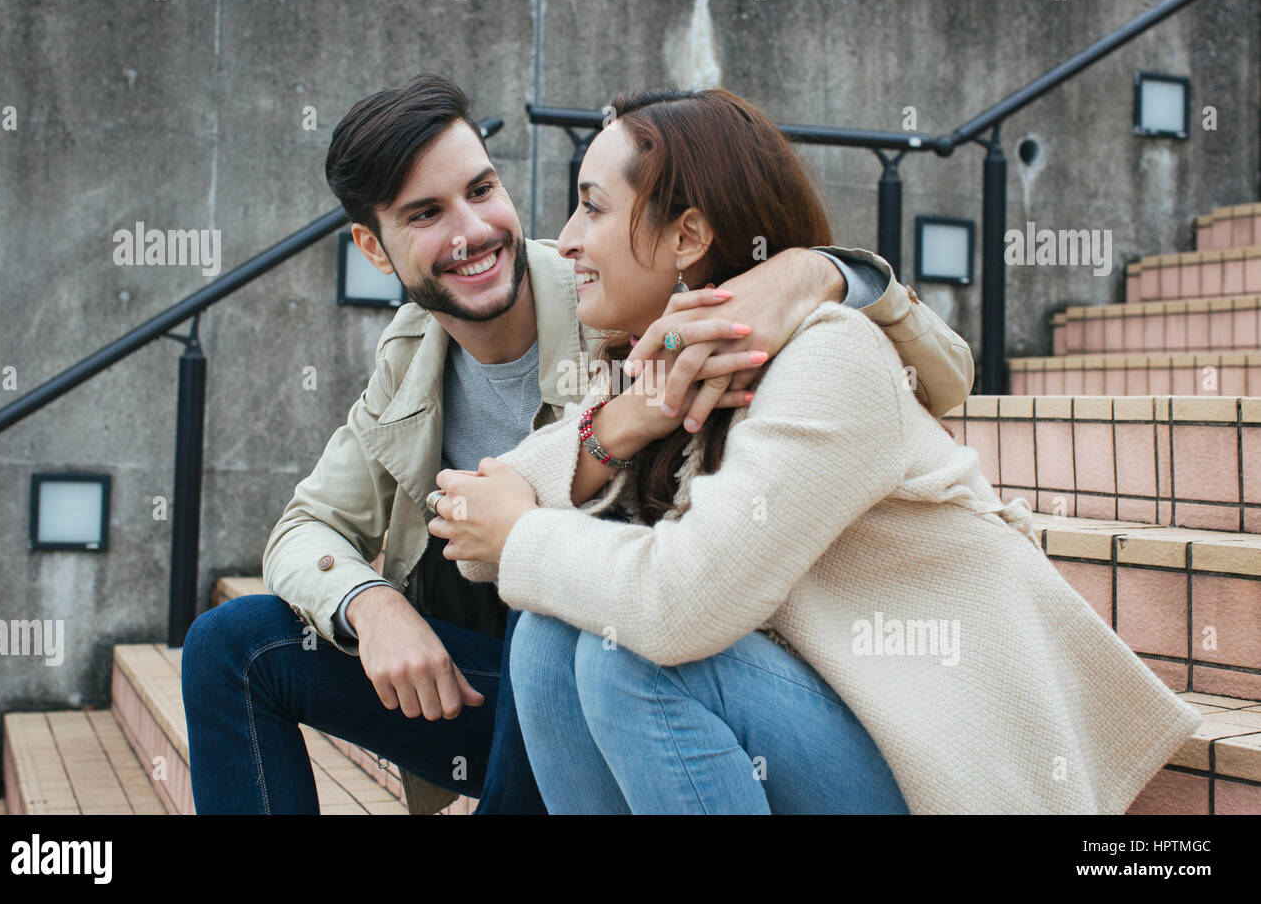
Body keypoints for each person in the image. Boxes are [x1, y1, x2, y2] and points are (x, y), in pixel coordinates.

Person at [180, 75, 976, 815]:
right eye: (425, 215)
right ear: (373, 249)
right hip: (538, 675)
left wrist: (820, 272)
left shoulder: (618, 295)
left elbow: (942, 374)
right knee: (233, 646)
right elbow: (310, 526)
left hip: (654, 665)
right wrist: (370, 604)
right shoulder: (414, 353)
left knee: (583, 629)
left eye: (482, 190)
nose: (473, 231)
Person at [429, 87, 1203, 814]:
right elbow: (481, 512)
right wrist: (624, 420)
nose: (563, 241)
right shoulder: (656, 370)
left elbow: (678, 607)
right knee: (549, 633)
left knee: (627, 657)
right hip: (825, 725)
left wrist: (524, 535)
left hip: (946, 775)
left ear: (689, 235)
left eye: (592, 208)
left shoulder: (830, 360)